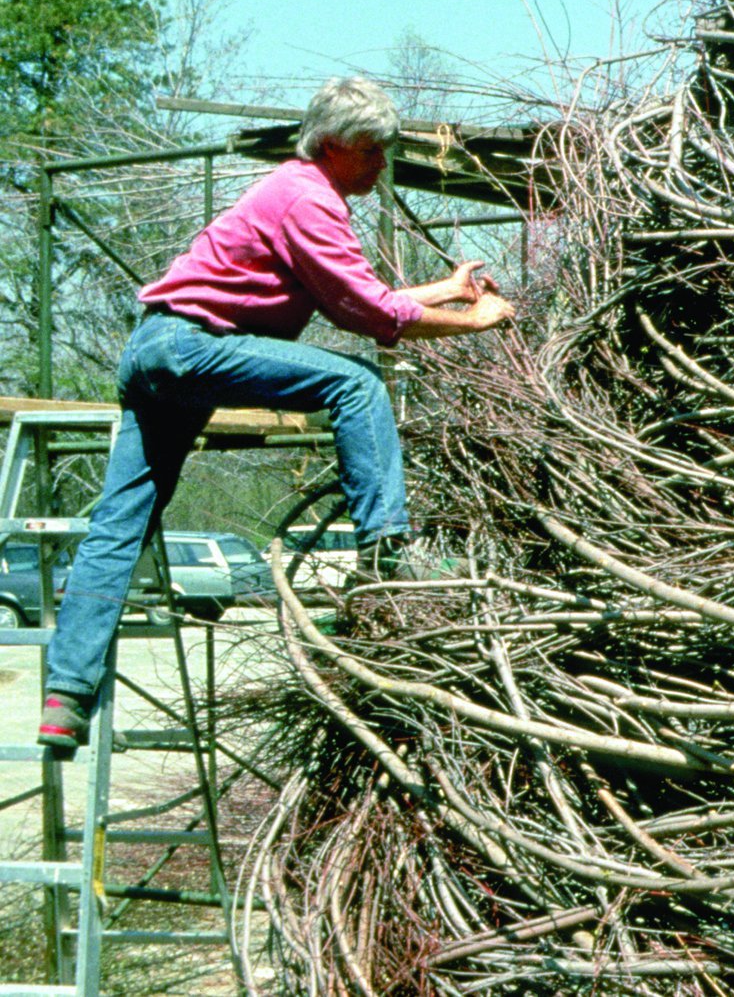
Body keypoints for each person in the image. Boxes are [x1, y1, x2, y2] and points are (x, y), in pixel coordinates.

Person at [37, 77, 516, 749]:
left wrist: (450, 290)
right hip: (193, 346)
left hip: (155, 349)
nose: (382, 164)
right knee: (356, 386)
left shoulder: (295, 192)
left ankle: (66, 697)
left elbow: (357, 294)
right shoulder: (309, 197)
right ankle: (384, 556)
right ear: (329, 146)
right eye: (371, 150)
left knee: (119, 526)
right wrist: (477, 321)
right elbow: (371, 316)